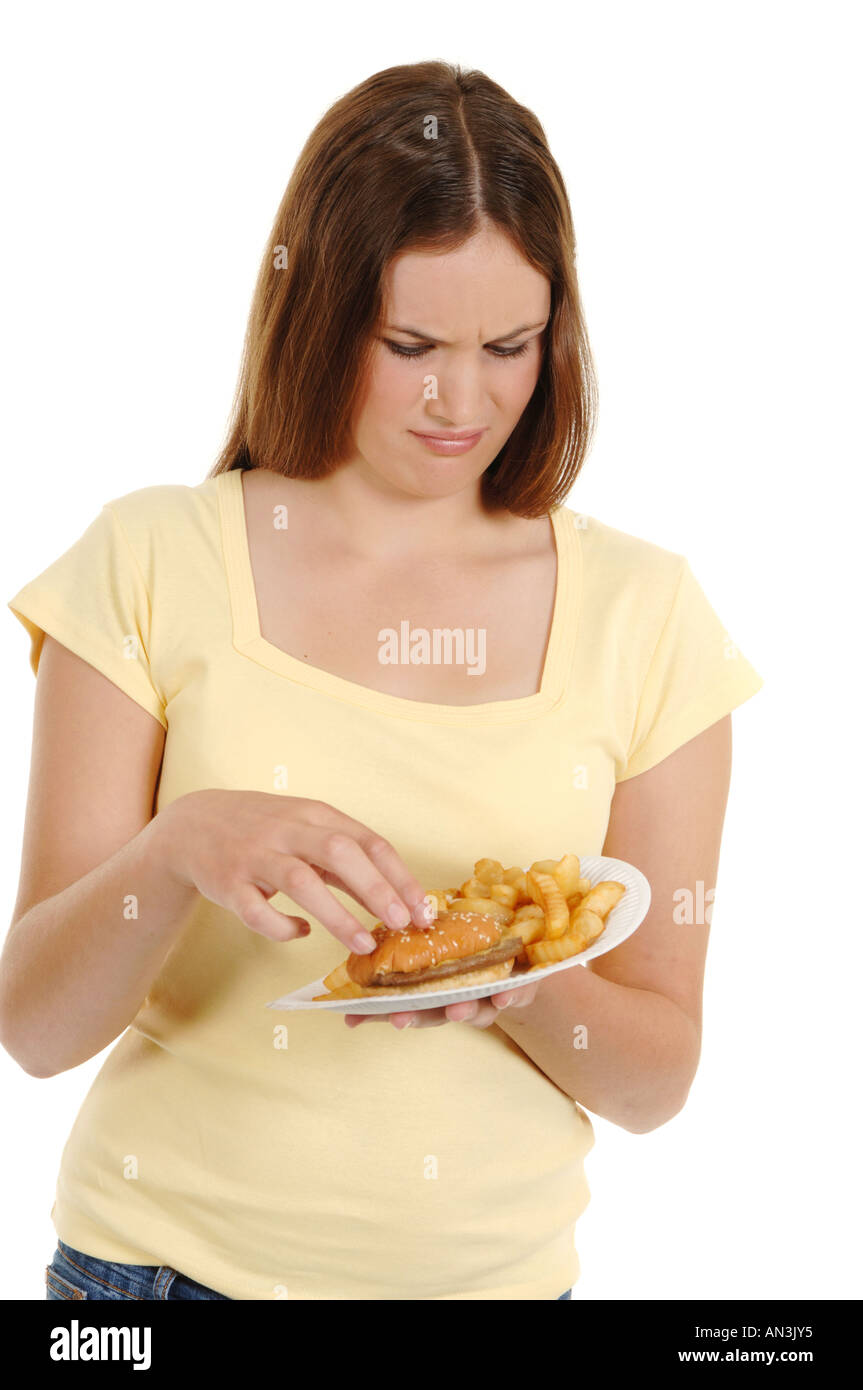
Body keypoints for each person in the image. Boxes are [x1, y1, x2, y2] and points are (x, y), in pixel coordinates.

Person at [2, 60, 763, 1302]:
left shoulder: (649, 614)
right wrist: (177, 846)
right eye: (408, 343)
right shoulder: (147, 560)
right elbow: (35, 1028)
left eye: (507, 346)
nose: (459, 400)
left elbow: (654, 1079)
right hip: (148, 1288)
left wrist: (501, 978)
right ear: (317, 313)